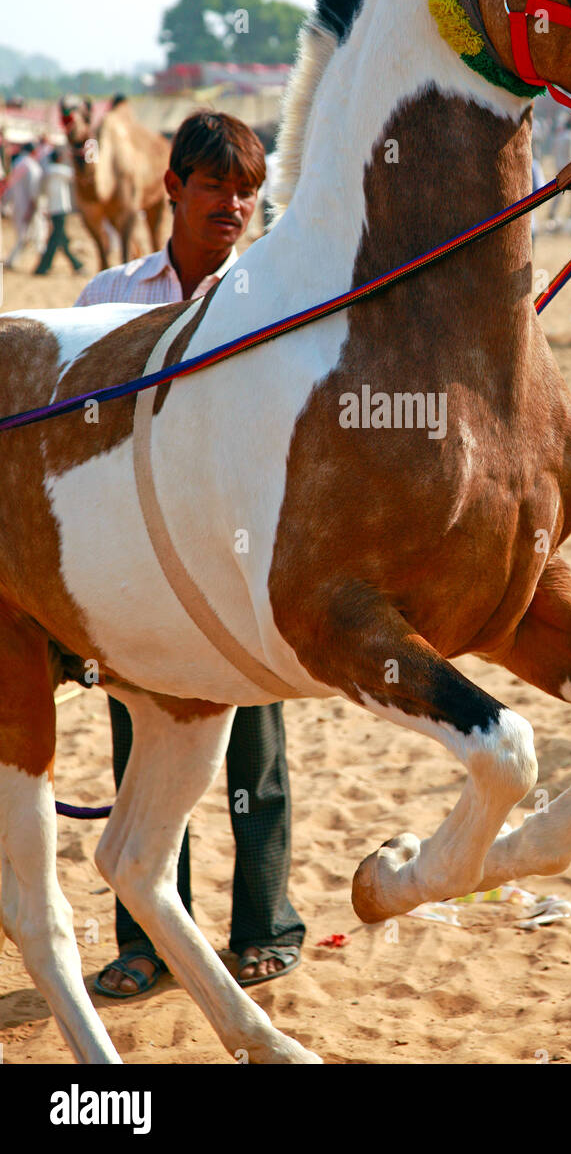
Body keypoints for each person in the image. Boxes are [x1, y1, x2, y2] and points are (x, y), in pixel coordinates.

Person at [75, 109, 305, 997]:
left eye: (246, 190)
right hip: (131, 571)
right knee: (141, 751)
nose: (234, 205)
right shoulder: (106, 300)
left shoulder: (278, 299)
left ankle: (266, 925)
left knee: (253, 750)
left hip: (236, 560)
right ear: (171, 188)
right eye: (215, 186)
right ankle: (147, 944)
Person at [35, 147, 83, 275]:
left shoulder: (47, 171)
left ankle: (76, 265)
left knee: (60, 239)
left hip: (52, 208)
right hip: (60, 209)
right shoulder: (60, 170)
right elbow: (75, 174)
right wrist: (73, 156)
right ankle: (43, 267)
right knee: (56, 239)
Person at [3, 142, 47, 268]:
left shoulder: (18, 164)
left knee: (25, 235)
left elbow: (10, 187)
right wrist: (33, 208)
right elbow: (34, 191)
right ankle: (43, 262)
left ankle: (14, 260)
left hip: (17, 205)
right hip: (29, 206)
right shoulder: (32, 166)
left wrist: (6, 204)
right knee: (35, 235)